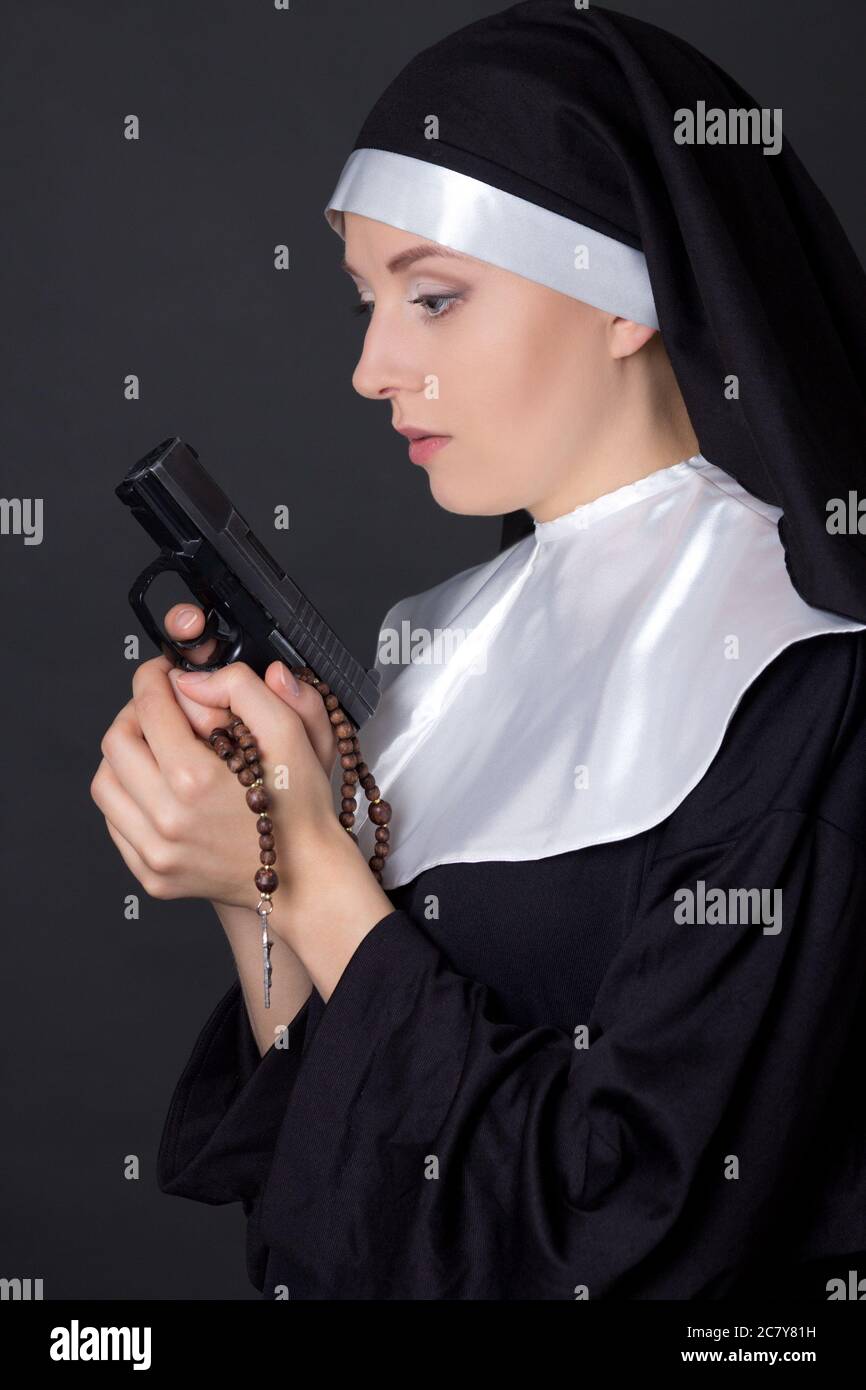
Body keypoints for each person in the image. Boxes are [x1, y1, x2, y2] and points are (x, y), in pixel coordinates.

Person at [92, 2, 866, 1298]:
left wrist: (309, 874)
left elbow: (626, 1243)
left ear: (624, 295)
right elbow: (325, 1199)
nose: (372, 367)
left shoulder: (808, 676)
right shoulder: (437, 643)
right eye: (367, 302)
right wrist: (255, 868)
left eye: (434, 298)